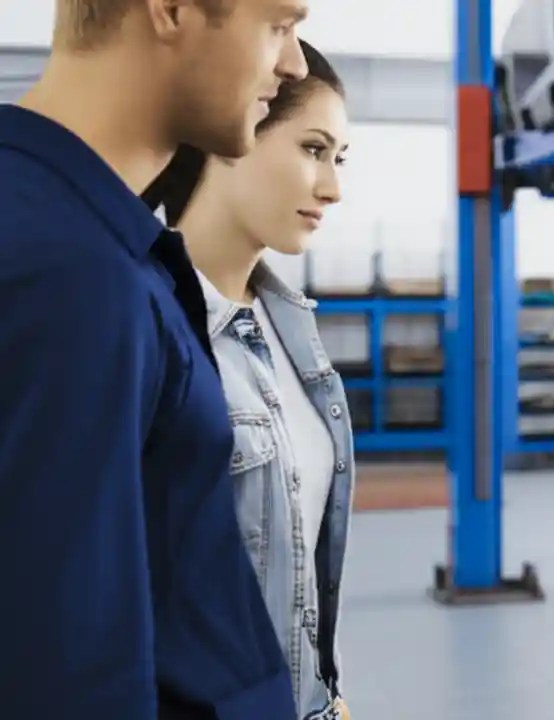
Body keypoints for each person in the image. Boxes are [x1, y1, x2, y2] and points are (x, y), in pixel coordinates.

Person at [0, 1, 310, 718]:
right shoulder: (70, 275)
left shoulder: (81, 237)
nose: (293, 62)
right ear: (171, 9)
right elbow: (62, 670)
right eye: (279, 26)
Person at [142, 39, 355, 720]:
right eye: (313, 150)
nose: (333, 187)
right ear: (237, 128)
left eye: (339, 159)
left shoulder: (293, 333)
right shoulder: (144, 326)